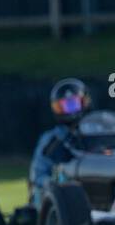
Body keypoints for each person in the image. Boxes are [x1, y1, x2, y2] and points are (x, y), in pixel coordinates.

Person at [29, 78, 92, 206]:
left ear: (84, 103)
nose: (70, 110)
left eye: (73, 104)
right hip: (59, 199)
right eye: (65, 106)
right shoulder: (52, 139)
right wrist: (56, 184)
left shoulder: (95, 130)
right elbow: (38, 175)